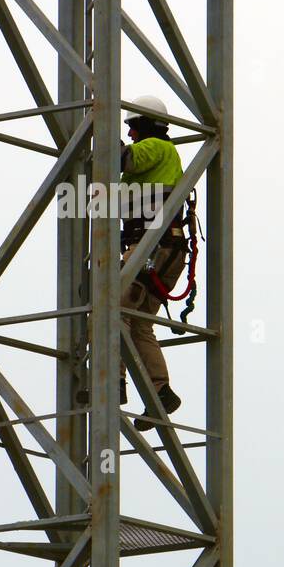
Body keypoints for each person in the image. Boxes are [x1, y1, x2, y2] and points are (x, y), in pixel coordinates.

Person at [119, 95, 187, 431]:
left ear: (144, 125)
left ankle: (112, 381)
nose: (130, 134)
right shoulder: (164, 159)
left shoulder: (156, 149)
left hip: (150, 247)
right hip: (166, 250)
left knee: (111, 309)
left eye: (132, 127)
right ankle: (160, 391)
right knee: (140, 322)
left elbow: (125, 158)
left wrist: (94, 125)